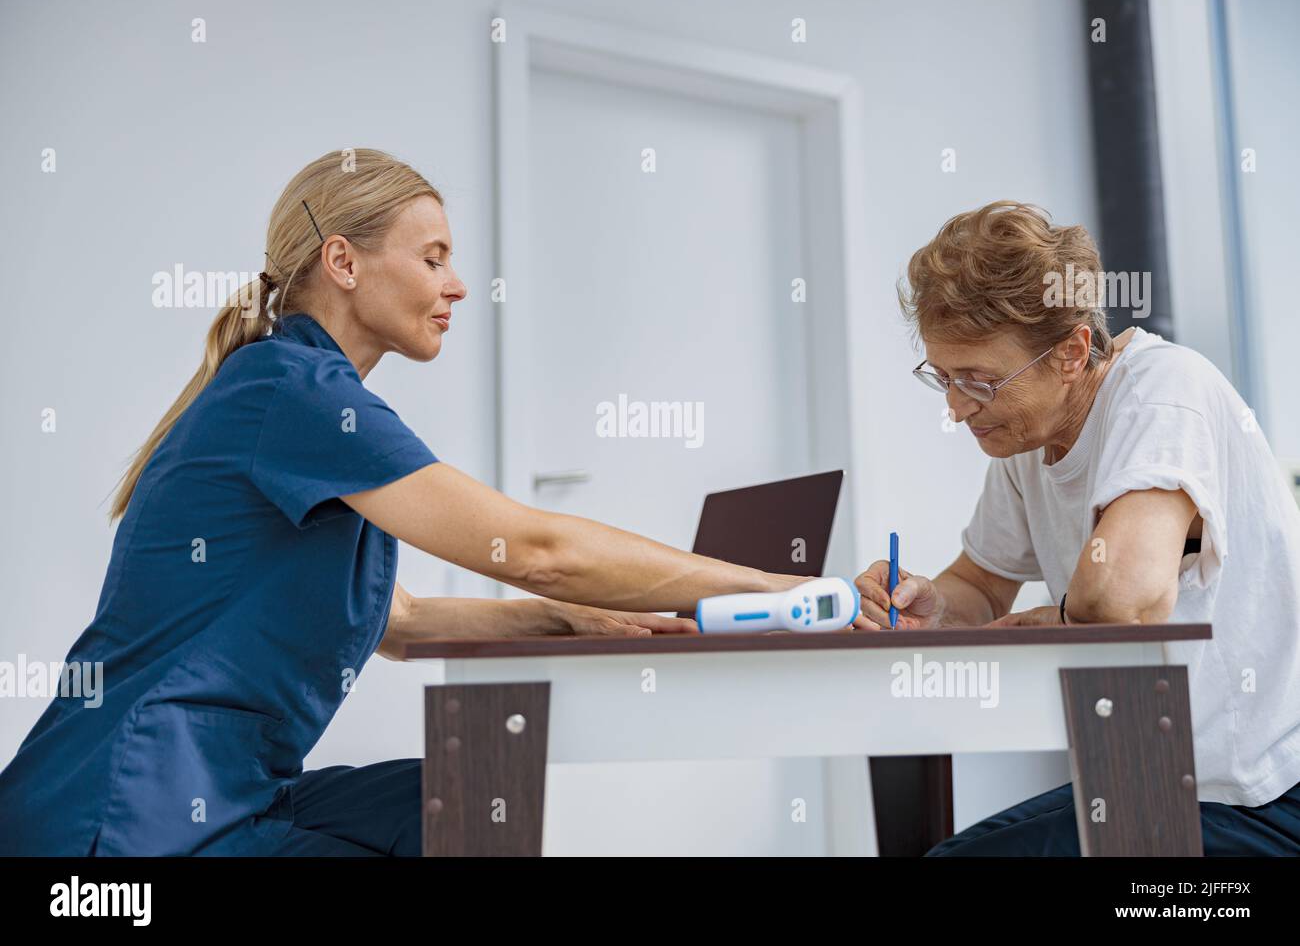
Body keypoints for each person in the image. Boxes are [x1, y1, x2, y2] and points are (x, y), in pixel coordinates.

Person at [0, 148, 874, 857]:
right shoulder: (293, 391)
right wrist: (764, 586)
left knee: (479, 787)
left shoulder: (301, 396)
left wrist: (562, 622)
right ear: (342, 260)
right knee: (478, 800)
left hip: (224, 789)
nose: (457, 285)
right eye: (433, 258)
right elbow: (536, 546)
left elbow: (401, 624)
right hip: (120, 816)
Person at [854, 201, 1300, 855]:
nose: (955, 408)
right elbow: (981, 585)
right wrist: (929, 603)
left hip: (1263, 794)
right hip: (1145, 777)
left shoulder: (1164, 391)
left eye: (978, 381)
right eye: (943, 378)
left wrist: (1055, 620)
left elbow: (1120, 597)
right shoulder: (1028, 438)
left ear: (1071, 352)